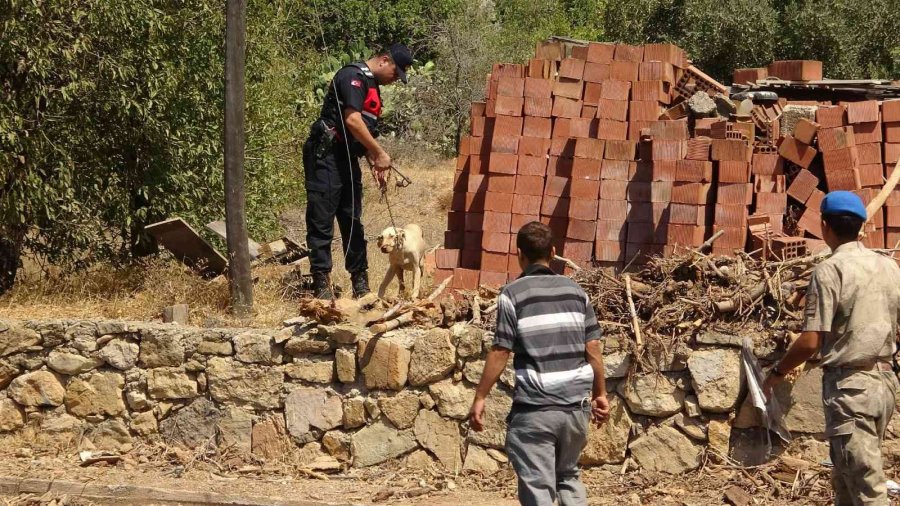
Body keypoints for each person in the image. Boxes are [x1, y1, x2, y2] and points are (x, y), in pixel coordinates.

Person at [763, 191, 900, 505]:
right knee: (845, 477)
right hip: (884, 386)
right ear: (860, 227)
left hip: (851, 391)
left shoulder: (830, 271)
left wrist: (776, 373)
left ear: (824, 225)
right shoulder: (889, 267)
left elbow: (811, 341)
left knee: (868, 487)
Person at [468, 221, 610, 506]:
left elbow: (500, 350)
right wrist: (600, 394)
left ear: (519, 254)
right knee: (568, 476)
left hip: (536, 409)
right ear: (554, 252)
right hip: (575, 411)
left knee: (538, 486)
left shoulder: (512, 294)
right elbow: (592, 347)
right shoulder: (576, 292)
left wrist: (480, 396)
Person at [302, 44, 413, 299]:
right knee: (322, 221)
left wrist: (371, 159)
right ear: (385, 60)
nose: (395, 80)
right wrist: (379, 153)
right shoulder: (352, 76)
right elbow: (352, 121)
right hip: (325, 157)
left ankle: (360, 285)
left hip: (347, 159)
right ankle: (322, 286)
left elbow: (361, 131)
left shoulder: (372, 86)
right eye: (396, 74)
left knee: (352, 221)